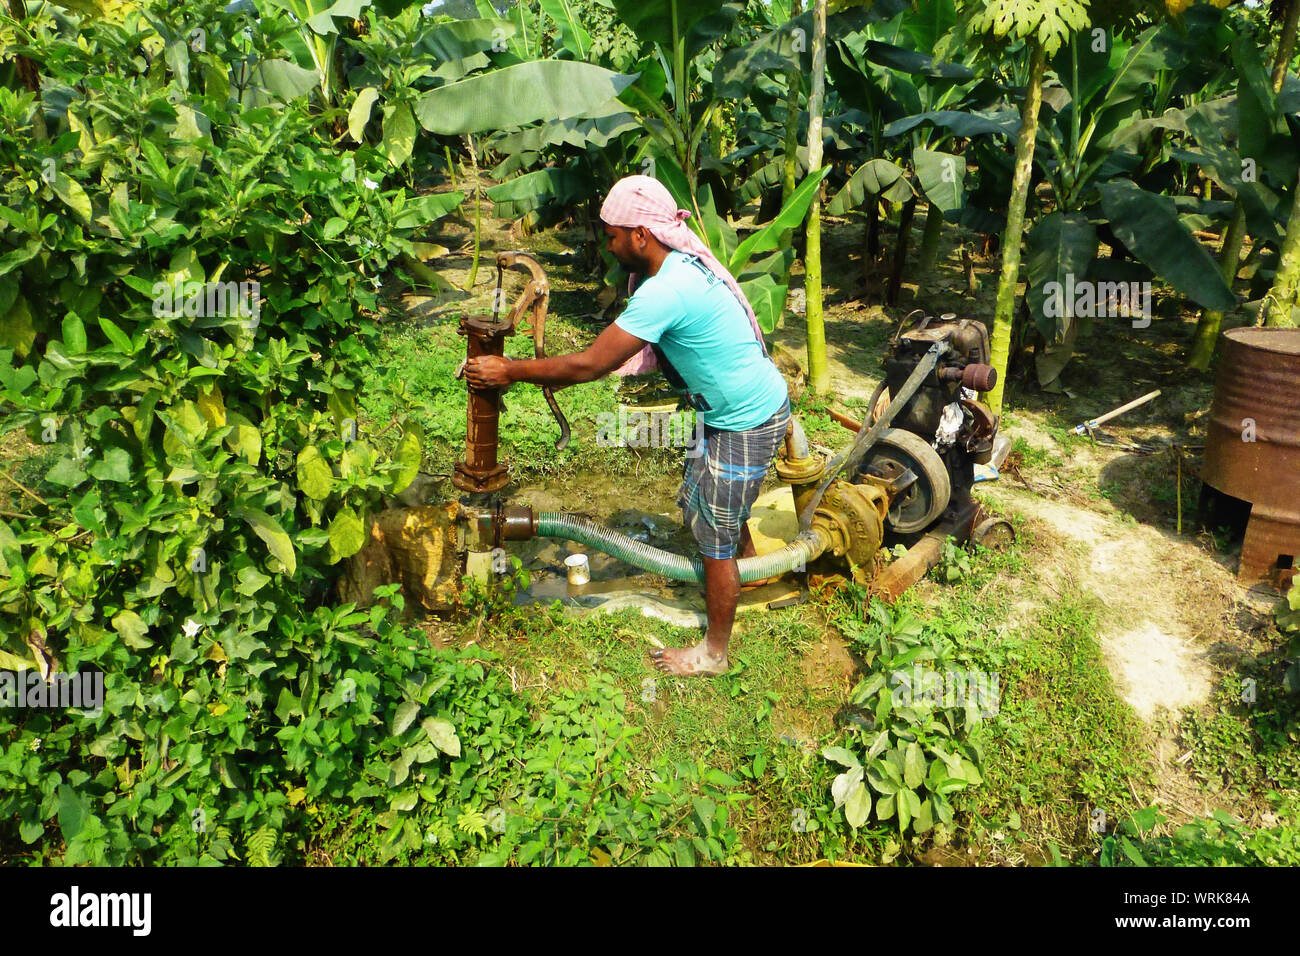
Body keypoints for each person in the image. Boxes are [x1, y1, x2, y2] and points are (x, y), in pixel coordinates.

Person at [464, 175, 791, 677]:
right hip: (724, 414)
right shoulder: (676, 269)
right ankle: (746, 570)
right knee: (702, 503)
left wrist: (510, 371)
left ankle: (715, 651)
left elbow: (590, 364)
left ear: (641, 235)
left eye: (612, 235)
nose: (608, 245)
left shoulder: (668, 291)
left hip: (747, 421)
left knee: (715, 539)